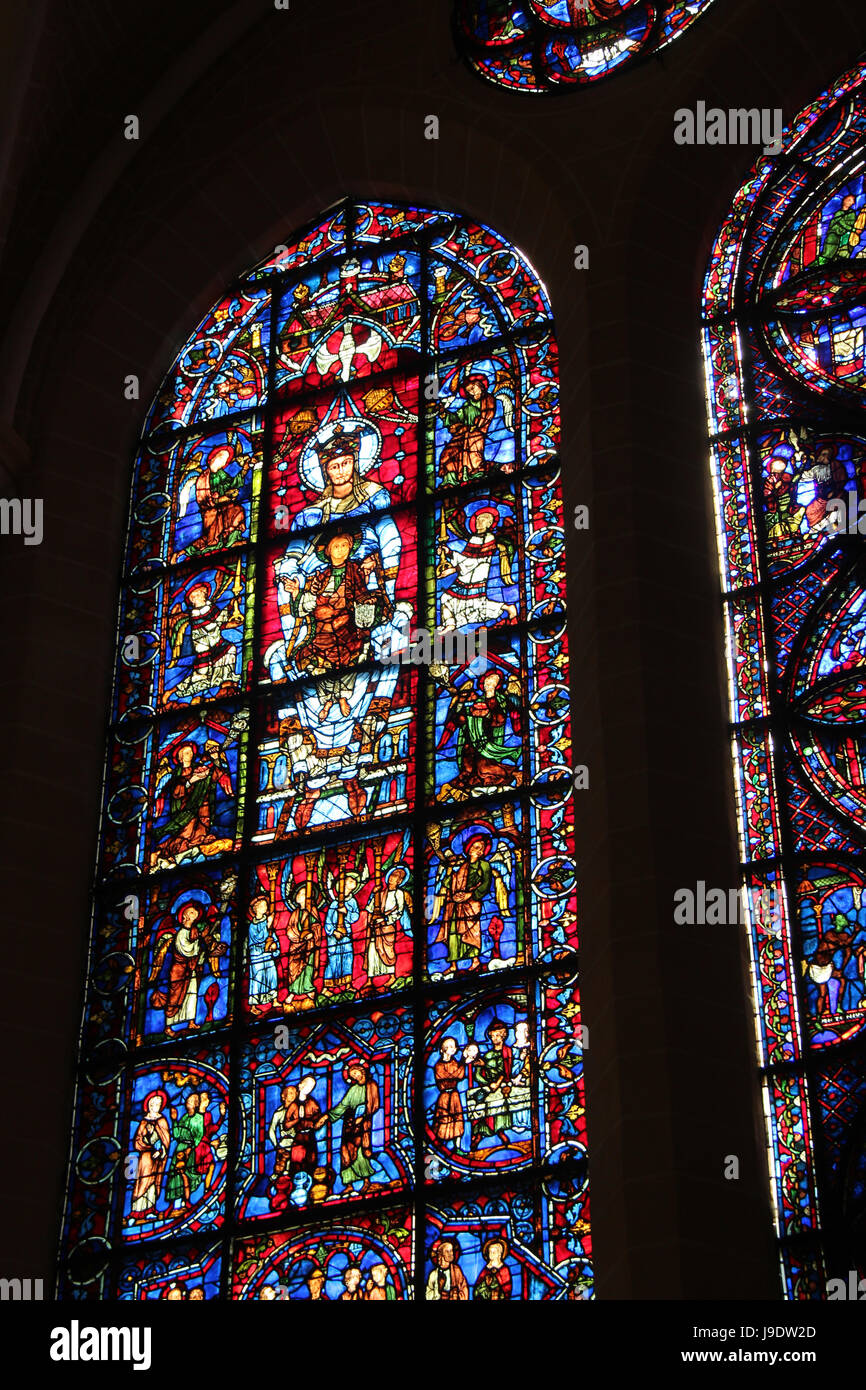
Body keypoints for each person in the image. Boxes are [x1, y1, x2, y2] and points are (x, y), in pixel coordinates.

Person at [166, 581, 239, 704]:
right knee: (200, 676)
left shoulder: (210, 608)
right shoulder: (195, 615)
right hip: (204, 647)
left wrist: (232, 606)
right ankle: (171, 691)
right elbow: (213, 625)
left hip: (216, 643)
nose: (203, 596)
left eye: (203, 594)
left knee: (231, 648)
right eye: (199, 595)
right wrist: (228, 618)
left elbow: (219, 620)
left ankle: (226, 682)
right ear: (193, 600)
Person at [318, 1062, 380, 1195]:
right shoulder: (353, 1089)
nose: (355, 1076)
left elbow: (375, 1105)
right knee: (345, 1154)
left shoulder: (372, 1085)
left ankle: (367, 1181)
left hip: (362, 1125)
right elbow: (343, 1106)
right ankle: (349, 1185)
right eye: (352, 1075)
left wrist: (363, 1116)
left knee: (360, 1153)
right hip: (349, 1125)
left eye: (356, 1073)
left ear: (362, 1070)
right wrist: (326, 1117)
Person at [438, 374, 496, 485]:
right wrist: (444, 414)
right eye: (469, 391)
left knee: (472, 451)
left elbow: (487, 415)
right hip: (462, 434)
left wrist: (473, 427)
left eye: (473, 388)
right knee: (448, 453)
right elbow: (456, 417)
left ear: (481, 386)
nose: (472, 392)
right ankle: (450, 479)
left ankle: (474, 473)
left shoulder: (488, 399)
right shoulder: (467, 405)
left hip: (477, 434)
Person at [365, 866, 410, 986]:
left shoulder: (399, 893)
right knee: (373, 950)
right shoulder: (380, 893)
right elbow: (370, 908)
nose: (391, 878)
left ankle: (392, 976)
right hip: (376, 926)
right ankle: (370, 979)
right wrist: (374, 894)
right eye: (391, 875)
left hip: (387, 927)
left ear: (400, 881)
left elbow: (399, 911)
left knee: (388, 950)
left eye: (395, 876)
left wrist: (386, 920)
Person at [130, 1092, 171, 1221]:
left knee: (152, 1183)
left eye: (158, 1104)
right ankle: (136, 1213)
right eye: (153, 1104)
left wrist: (160, 1150)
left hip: (157, 1159)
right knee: (142, 1182)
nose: (155, 1106)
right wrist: (148, 1146)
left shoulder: (162, 1121)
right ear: (148, 1105)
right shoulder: (143, 1122)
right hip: (145, 1158)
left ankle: (150, 1210)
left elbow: (166, 1140)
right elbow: (137, 1141)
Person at [323, 873, 361, 995]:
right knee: (333, 959)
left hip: (346, 935)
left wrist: (347, 912)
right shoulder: (334, 904)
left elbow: (355, 917)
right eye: (350, 881)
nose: (353, 883)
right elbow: (328, 922)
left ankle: (348, 984)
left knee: (347, 958)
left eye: (354, 881)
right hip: (334, 938)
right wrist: (333, 932)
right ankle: (326, 988)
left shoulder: (353, 902)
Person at [165, 1093, 204, 1209]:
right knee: (174, 1174)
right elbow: (177, 1134)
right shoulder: (184, 1118)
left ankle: (185, 1201)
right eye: (187, 1101)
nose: (188, 1103)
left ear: (196, 1104)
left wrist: (190, 1149)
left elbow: (199, 1135)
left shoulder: (199, 1118)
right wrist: (174, 1120)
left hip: (189, 1150)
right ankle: (173, 1202)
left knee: (185, 1174)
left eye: (191, 1101)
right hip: (180, 1148)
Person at [284, 884, 319, 1007]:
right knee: (294, 969)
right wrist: (298, 937)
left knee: (308, 968)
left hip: (309, 946)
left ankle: (309, 989)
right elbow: (289, 928)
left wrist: (311, 934)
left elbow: (317, 927)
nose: (299, 896)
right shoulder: (295, 913)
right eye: (299, 893)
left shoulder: (313, 911)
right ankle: (293, 992)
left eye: (303, 894)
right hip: (296, 945)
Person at [432, 1036, 467, 1147]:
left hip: (455, 1095)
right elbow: (448, 1076)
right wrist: (463, 1062)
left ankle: (457, 1147)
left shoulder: (455, 1063)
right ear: (443, 1049)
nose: (453, 1049)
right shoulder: (438, 1066)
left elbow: (460, 1075)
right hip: (445, 1096)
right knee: (443, 1118)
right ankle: (441, 1147)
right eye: (450, 1046)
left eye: (454, 1046)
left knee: (458, 1118)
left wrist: (462, 1064)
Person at [247, 894, 279, 1014]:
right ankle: (253, 1006)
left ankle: (274, 999)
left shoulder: (267, 921)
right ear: (256, 909)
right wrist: (268, 925)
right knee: (257, 979)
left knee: (272, 975)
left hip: (268, 954)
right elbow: (258, 938)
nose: (265, 908)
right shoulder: (252, 925)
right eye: (263, 906)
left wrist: (275, 945)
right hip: (257, 955)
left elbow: (272, 935)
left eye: (266, 906)